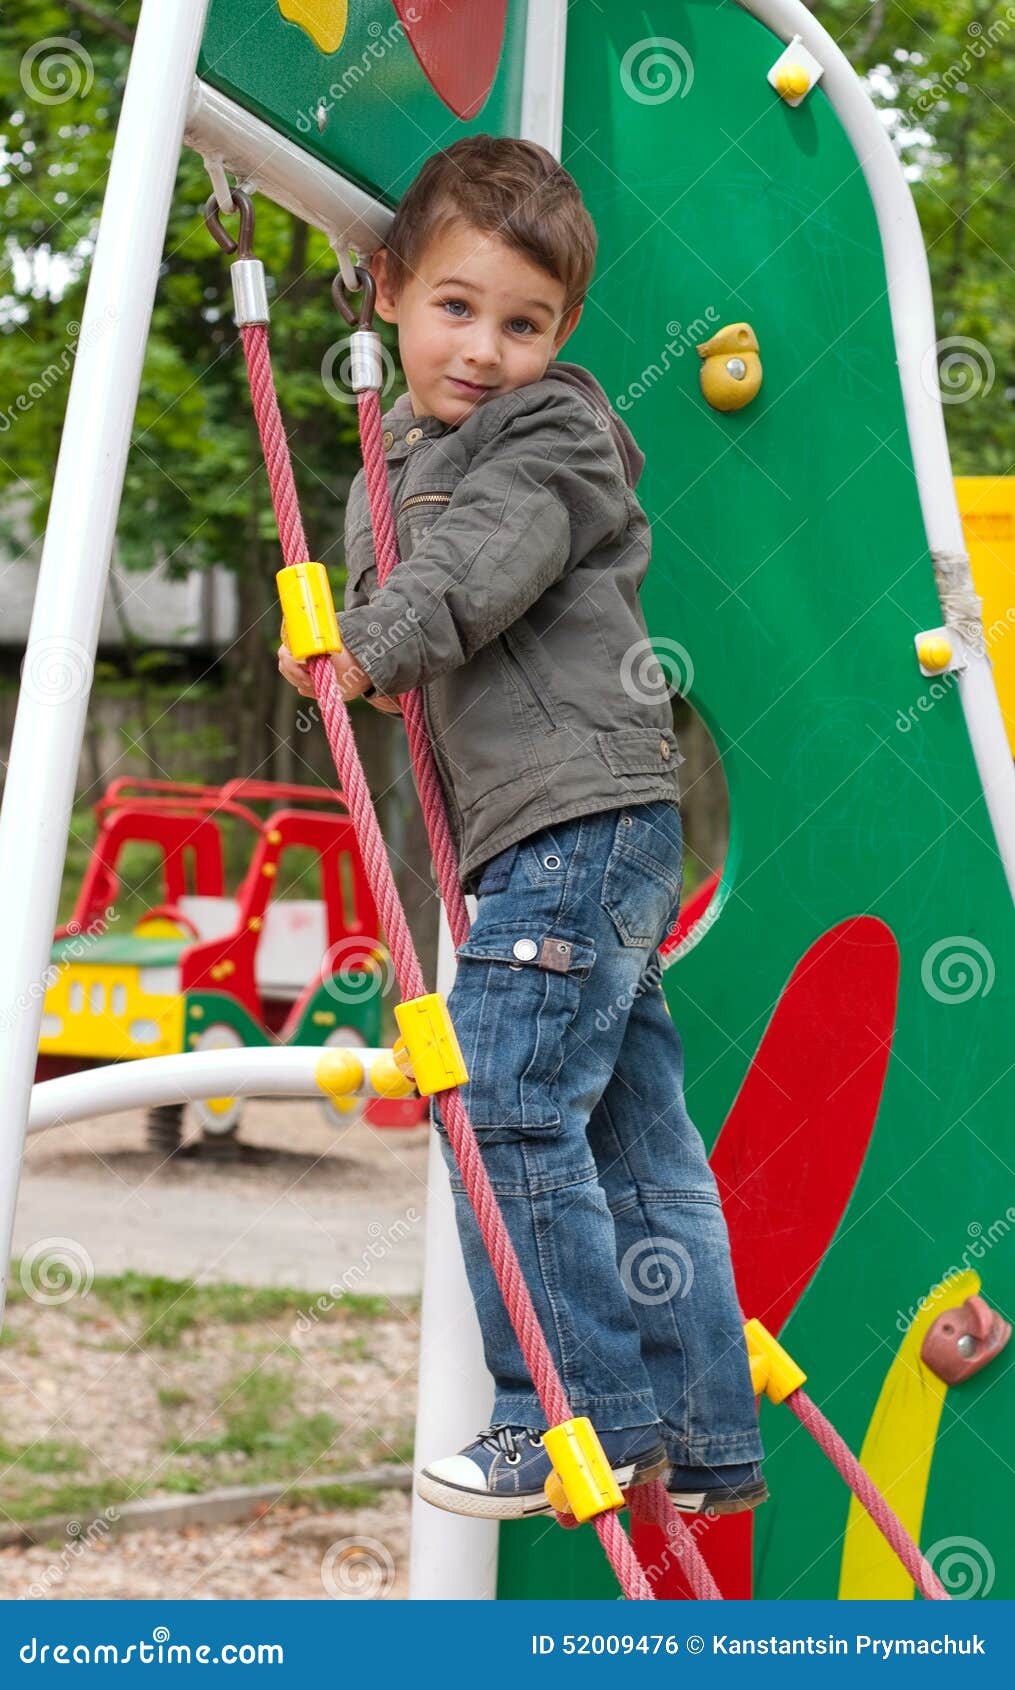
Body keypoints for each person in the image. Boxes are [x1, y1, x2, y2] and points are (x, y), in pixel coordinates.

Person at [279, 134, 765, 1521]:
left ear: (562, 333)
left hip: (574, 826)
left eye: (525, 321)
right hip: (578, 832)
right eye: (457, 307)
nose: (487, 348)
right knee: (631, 1140)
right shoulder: (392, 465)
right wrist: (350, 647)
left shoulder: (553, 435)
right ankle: (695, 1423)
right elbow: (421, 611)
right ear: (387, 292)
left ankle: (574, 1419)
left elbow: (482, 561)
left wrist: (369, 640)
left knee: (498, 1112)